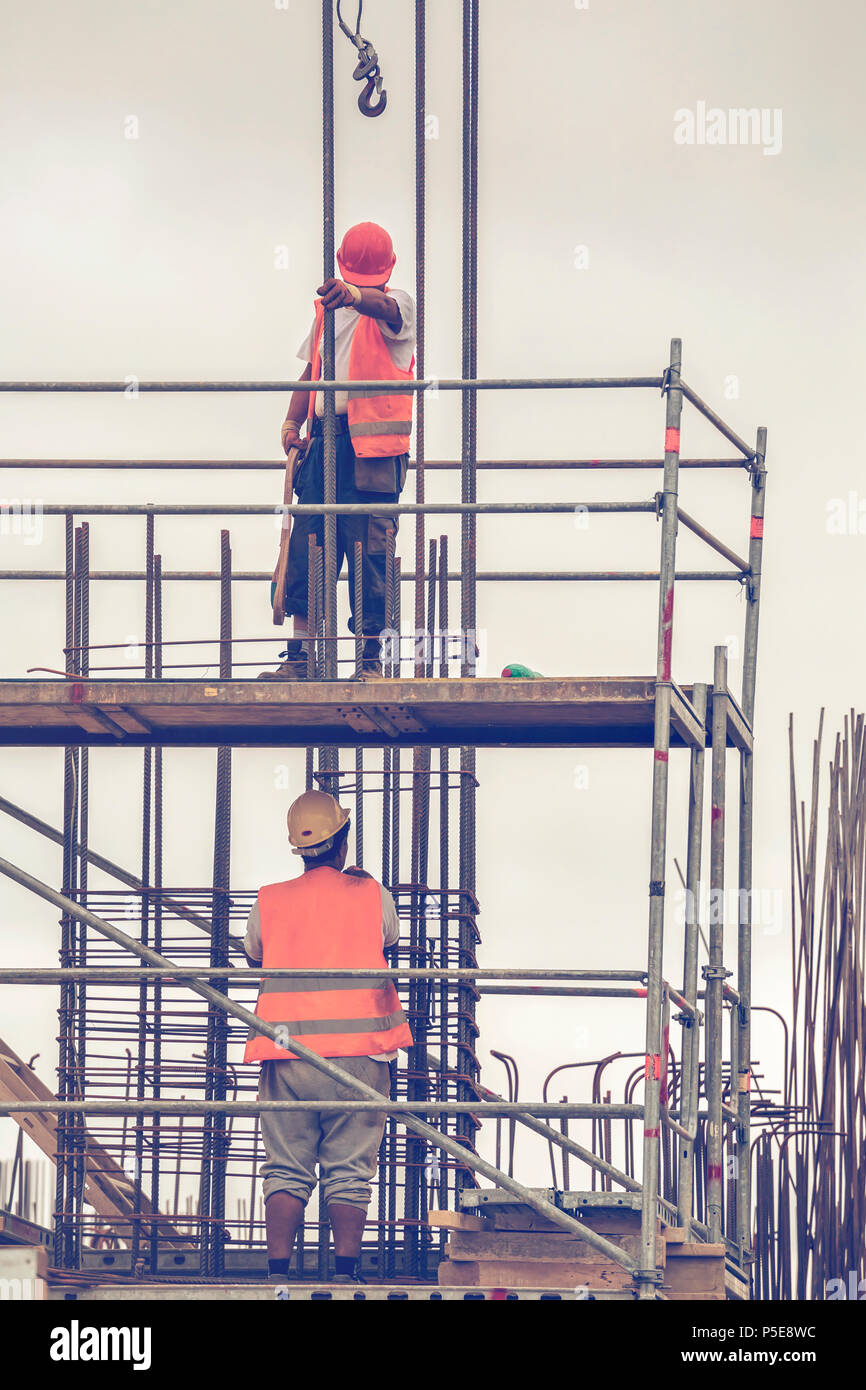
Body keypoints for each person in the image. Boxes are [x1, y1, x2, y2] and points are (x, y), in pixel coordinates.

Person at [243, 789, 413, 1284]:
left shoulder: (269, 898)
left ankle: (278, 1278)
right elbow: (390, 938)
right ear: (342, 841)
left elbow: (256, 954)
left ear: (298, 847)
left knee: (286, 1165)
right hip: (360, 1055)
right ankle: (344, 1275)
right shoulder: (370, 892)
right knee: (350, 1169)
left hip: (288, 1052)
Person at [259, 221, 416, 680]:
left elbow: (385, 306)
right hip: (325, 440)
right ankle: (301, 659)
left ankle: (371, 663)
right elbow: (313, 369)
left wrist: (354, 296)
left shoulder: (397, 307)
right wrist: (293, 421)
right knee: (310, 546)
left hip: (374, 453)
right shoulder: (326, 315)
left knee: (370, 553)